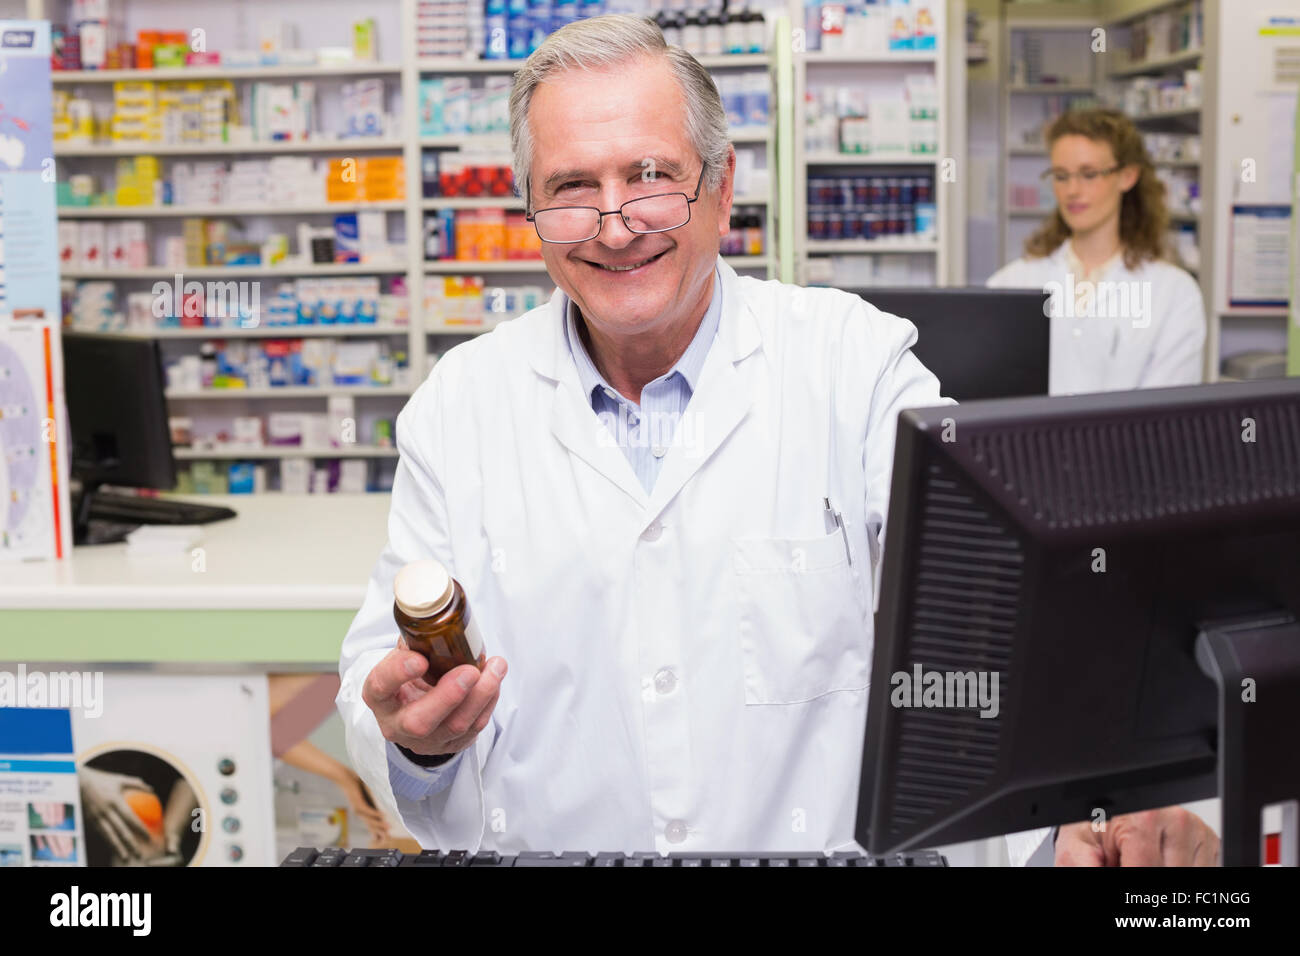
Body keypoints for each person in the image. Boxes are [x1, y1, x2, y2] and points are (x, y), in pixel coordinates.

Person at [337, 14, 1218, 865]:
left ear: (720, 189)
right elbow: (382, 683)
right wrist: (417, 741)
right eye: (572, 188)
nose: (615, 224)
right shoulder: (463, 405)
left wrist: (1111, 785)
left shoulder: (855, 362)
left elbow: (998, 611)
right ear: (531, 212)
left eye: (649, 175)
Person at [988, 108, 1207, 396]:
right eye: (1061, 176)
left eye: (1089, 174)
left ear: (1127, 176)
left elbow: (1166, 417)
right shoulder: (1009, 284)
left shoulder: (1175, 294)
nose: (1072, 191)